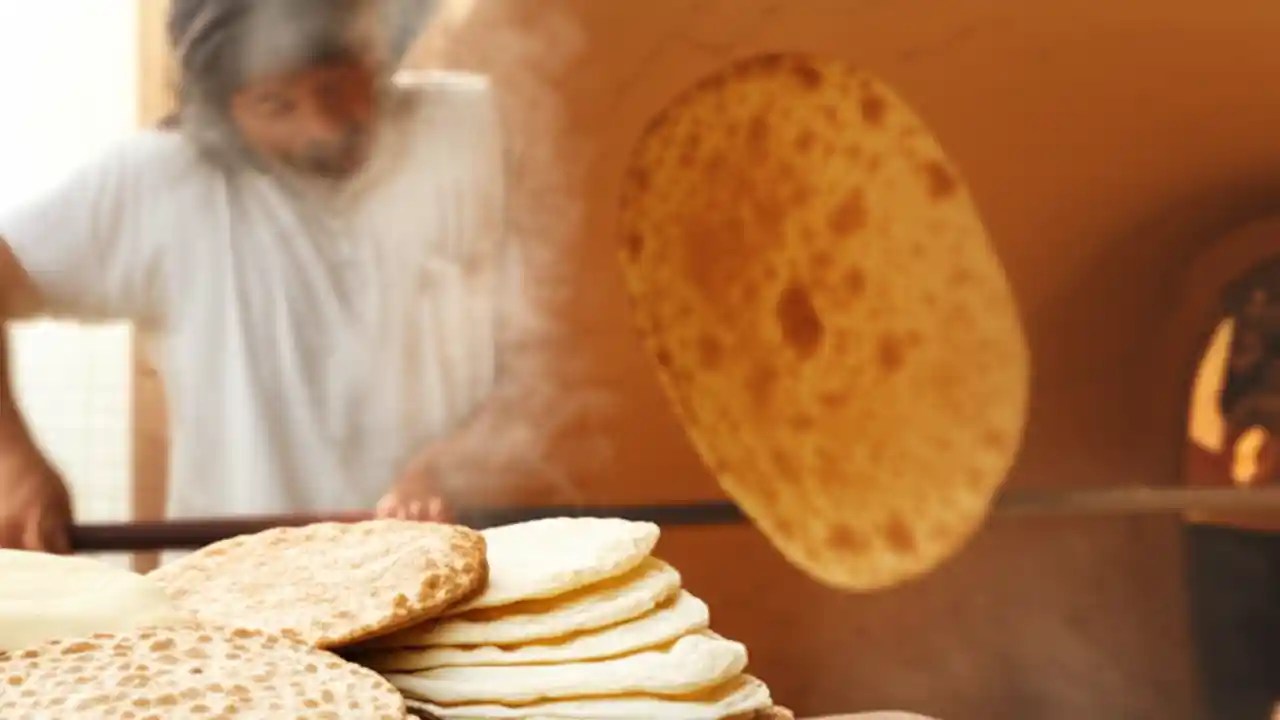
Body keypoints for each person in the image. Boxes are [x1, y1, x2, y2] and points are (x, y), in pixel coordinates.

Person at [0, 0, 510, 552]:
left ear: (376, 52)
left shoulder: (467, 131)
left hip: (454, 571)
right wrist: (10, 460)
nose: (323, 126)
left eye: (336, 88)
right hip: (230, 602)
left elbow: (557, 344)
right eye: (277, 104)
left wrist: (458, 464)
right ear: (224, 111)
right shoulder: (165, 182)